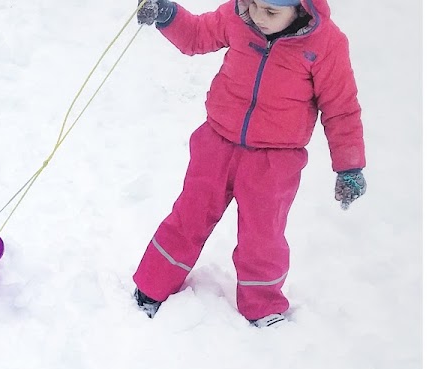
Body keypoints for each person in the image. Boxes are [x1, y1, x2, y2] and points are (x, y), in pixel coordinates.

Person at [129, 0, 367, 327]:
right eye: (253, 3)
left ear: (301, 8)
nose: (257, 16)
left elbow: (341, 109)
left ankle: (262, 306)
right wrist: (167, 15)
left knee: (262, 236)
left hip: (275, 160)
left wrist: (349, 167)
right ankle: (152, 286)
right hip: (216, 143)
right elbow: (196, 35)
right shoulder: (236, 16)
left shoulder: (326, 44)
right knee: (189, 216)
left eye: (271, 12)